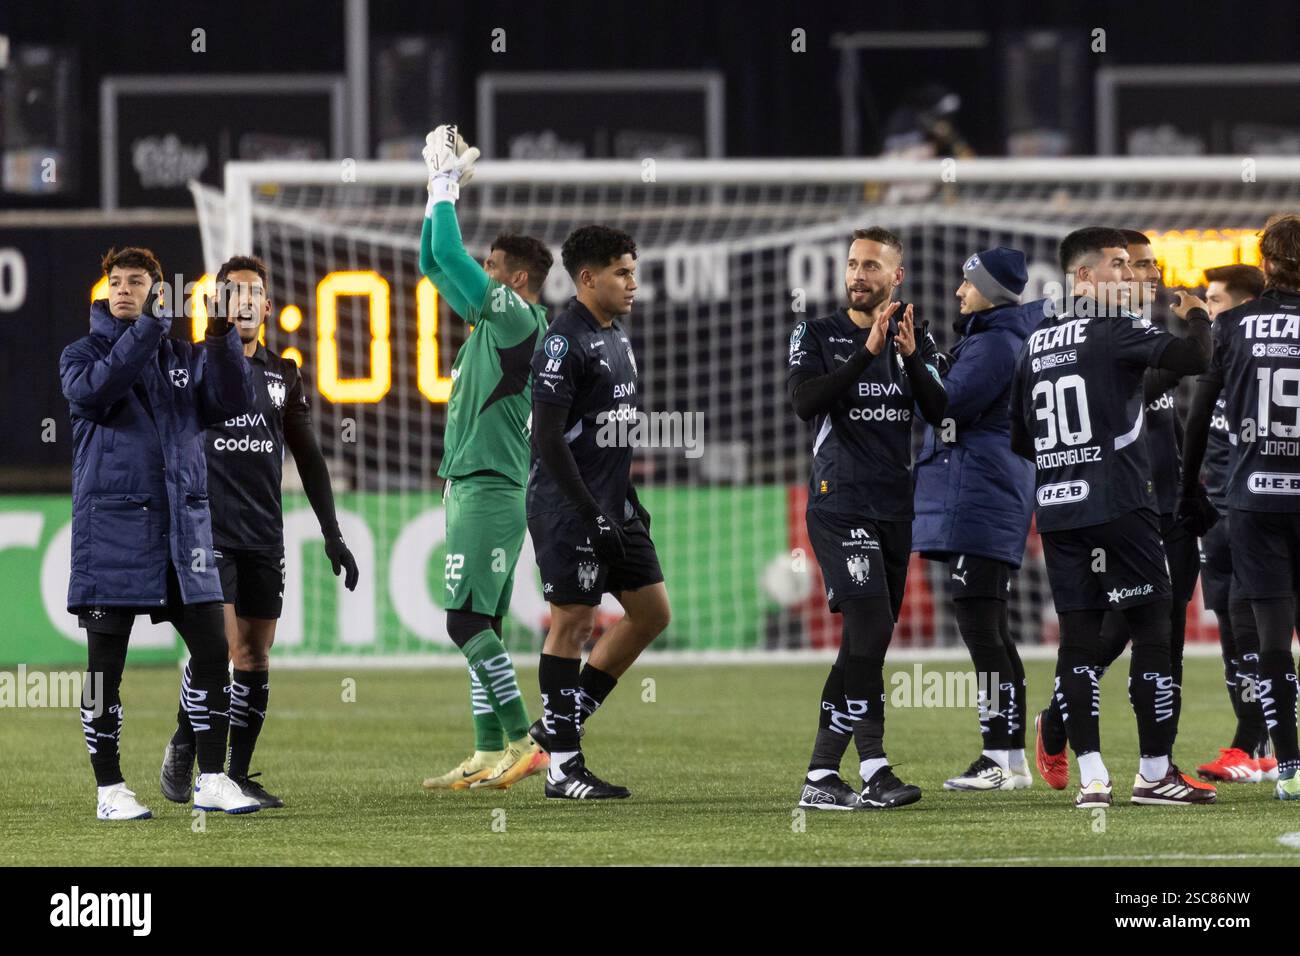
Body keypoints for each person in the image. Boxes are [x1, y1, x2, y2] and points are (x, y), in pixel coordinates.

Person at [1011, 227, 1214, 808]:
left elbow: (1021, 438)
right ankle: (1153, 774)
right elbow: (1195, 357)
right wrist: (1198, 315)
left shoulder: (1036, 341)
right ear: (1083, 276)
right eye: (1118, 264)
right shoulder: (1115, 327)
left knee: (1077, 641)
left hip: (1058, 508)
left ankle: (1093, 778)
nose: (1128, 275)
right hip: (1121, 502)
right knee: (1153, 629)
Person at [60, 246, 258, 819]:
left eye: (137, 281)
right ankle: (109, 789)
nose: (124, 289)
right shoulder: (81, 354)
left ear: (156, 291)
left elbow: (232, 401)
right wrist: (150, 328)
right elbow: (97, 391)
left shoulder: (181, 355)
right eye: (116, 281)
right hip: (112, 531)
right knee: (104, 669)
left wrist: (219, 335)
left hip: (181, 531)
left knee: (214, 650)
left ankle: (212, 778)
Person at [160, 255, 359, 809]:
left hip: (263, 534)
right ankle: (191, 746)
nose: (244, 302)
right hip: (207, 531)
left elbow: (309, 457)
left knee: (254, 656)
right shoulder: (194, 364)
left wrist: (332, 533)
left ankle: (238, 774)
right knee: (218, 649)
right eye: (233, 294)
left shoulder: (284, 374)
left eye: (253, 293)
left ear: (268, 307)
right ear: (217, 305)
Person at [788, 227, 948, 810]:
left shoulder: (915, 335)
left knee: (864, 640)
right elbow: (805, 402)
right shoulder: (816, 333)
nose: (858, 274)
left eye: (872, 266)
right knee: (873, 628)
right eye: (853, 263)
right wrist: (867, 353)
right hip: (840, 501)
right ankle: (875, 767)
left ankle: (821, 776)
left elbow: (941, 409)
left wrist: (910, 355)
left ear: (896, 277)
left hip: (895, 508)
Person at [416, 124, 552, 791]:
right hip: (479, 484)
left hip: (491, 486)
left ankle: (525, 740)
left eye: (492, 267)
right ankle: (486, 748)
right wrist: (431, 192)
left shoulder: (518, 319)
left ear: (516, 280)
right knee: (485, 620)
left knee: (465, 621)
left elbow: (449, 250)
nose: (482, 272)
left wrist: (446, 183)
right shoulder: (492, 326)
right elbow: (432, 261)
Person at [526, 224, 672, 800]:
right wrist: (590, 513)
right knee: (573, 625)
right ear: (586, 278)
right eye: (622, 273)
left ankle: (560, 722)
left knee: (652, 613)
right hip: (569, 509)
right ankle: (563, 768)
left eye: (634, 272)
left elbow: (612, 433)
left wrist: (627, 502)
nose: (633, 283)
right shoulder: (563, 342)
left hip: (615, 507)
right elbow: (548, 438)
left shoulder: (617, 335)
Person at [911, 247, 1041, 791]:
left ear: (990, 291)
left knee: (981, 629)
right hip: (989, 490)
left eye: (968, 283)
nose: (959, 292)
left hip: (980, 494)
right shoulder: (998, 338)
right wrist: (933, 361)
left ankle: (998, 756)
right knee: (992, 629)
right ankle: (1011, 759)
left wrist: (916, 362)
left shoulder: (993, 343)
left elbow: (946, 407)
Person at [1180, 216, 1300, 801]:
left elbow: (1199, 415)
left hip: (1254, 500)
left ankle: (1291, 767)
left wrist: (1188, 491)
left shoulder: (1232, 325)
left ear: (1266, 264)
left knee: (1271, 638)